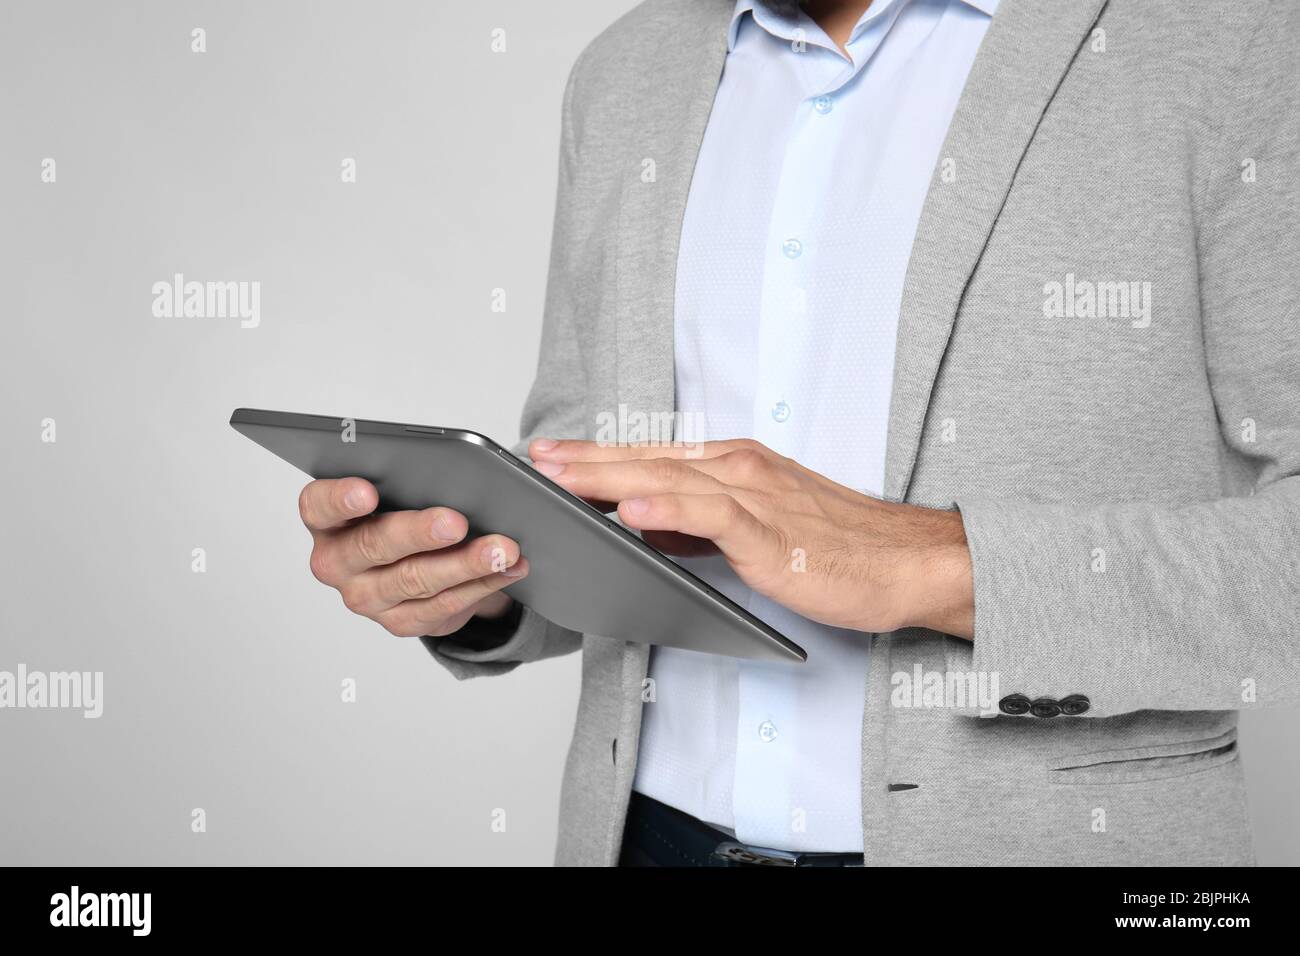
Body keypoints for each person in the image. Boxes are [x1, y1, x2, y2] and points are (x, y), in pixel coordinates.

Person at [293, 0, 1299, 866]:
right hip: (644, 837)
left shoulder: (1235, 44)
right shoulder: (623, 72)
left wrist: (933, 563)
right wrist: (480, 577)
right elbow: (596, 484)